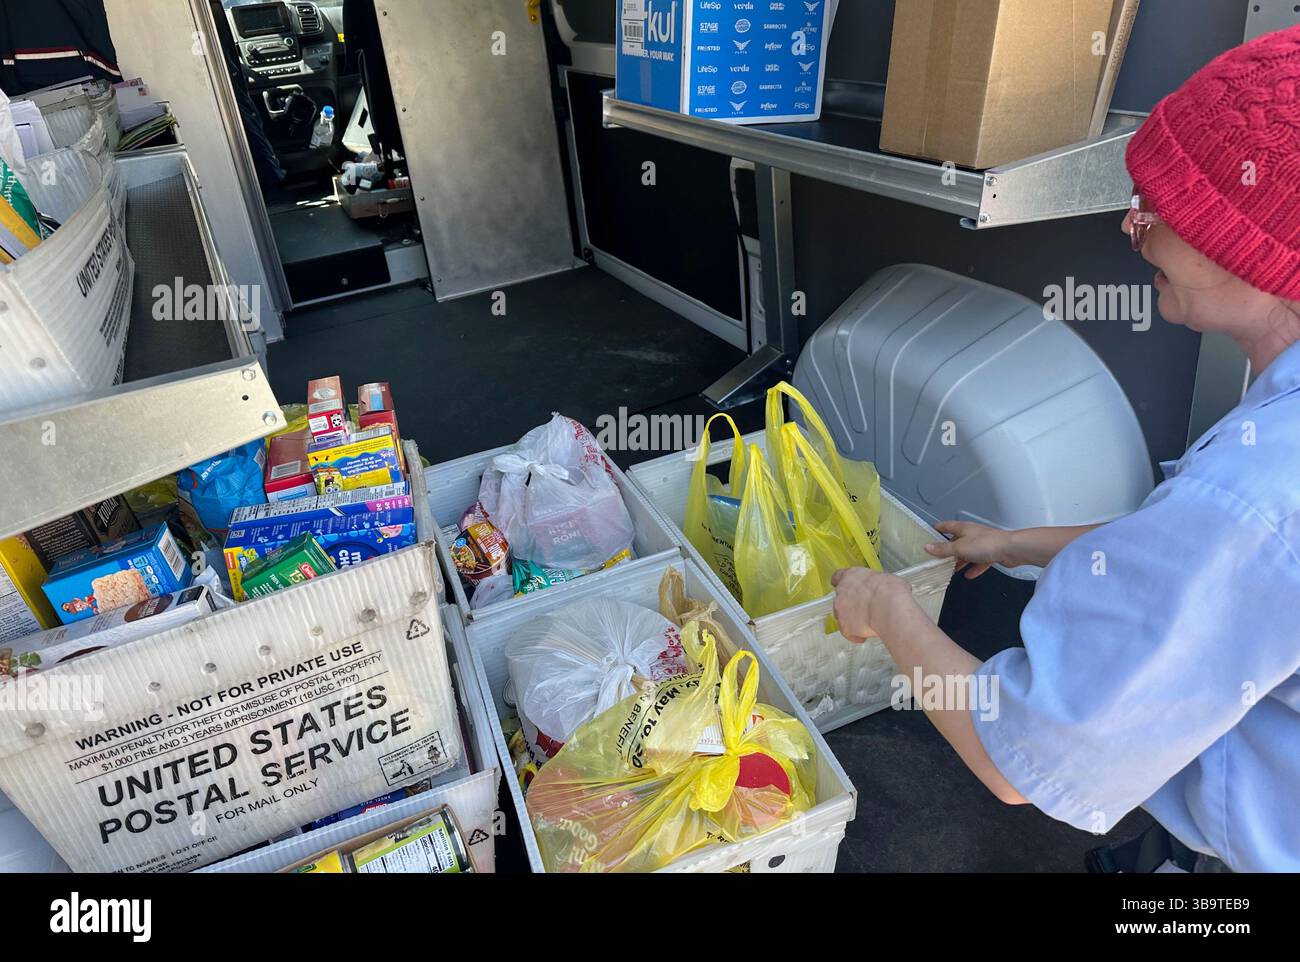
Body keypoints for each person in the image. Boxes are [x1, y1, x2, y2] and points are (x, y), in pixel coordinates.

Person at [831, 25, 1300, 873]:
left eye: (1167, 209)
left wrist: (888, 609)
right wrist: (1016, 544)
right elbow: (1187, 565)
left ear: (1262, 252)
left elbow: (1019, 751)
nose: (1134, 224)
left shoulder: (1258, 494)